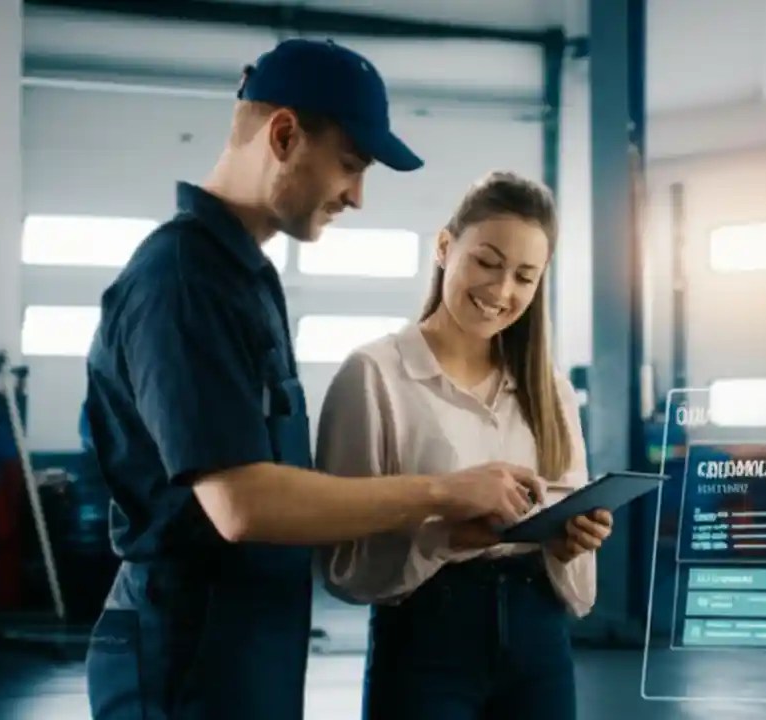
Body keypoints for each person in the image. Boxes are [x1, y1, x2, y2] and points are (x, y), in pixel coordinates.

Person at [81, 40, 545, 720]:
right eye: (351, 166)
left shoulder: (245, 278)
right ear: (284, 134)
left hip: (248, 642)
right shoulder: (184, 280)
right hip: (184, 653)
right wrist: (444, 491)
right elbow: (244, 506)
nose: (357, 196)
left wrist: (444, 531)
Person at [316, 171, 614, 719]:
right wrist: (446, 536)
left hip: (539, 638)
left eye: (525, 276)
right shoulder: (375, 375)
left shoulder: (549, 389)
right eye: (487, 262)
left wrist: (571, 542)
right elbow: (344, 561)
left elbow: (579, 589)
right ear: (445, 246)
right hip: (427, 640)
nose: (502, 292)